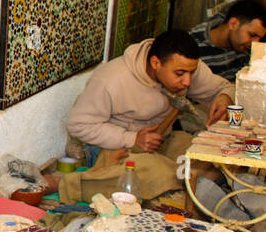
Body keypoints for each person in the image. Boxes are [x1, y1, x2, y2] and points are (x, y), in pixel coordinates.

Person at [67, 29, 235, 167]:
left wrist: (224, 97)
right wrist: (132, 139)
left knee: (210, 160)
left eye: (192, 72)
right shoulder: (110, 79)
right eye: (180, 74)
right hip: (116, 147)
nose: (188, 81)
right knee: (141, 174)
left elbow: (225, 87)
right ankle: (67, 184)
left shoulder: (186, 67)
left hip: (162, 142)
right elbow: (78, 125)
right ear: (156, 63)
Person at [188, 0, 266, 81]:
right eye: (252, 35)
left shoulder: (242, 46)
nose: (255, 43)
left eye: (259, 38)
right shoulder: (193, 45)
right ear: (233, 24)